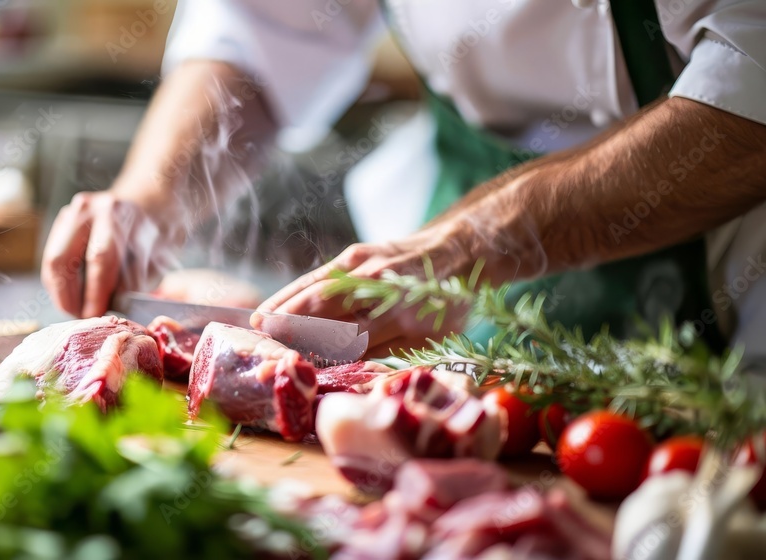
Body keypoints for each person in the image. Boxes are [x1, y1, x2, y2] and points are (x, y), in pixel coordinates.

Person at [42, 0, 766, 360]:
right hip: (460, 306)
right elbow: (263, 24)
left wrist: (471, 244)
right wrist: (151, 194)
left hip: (738, 301)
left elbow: (750, 86)